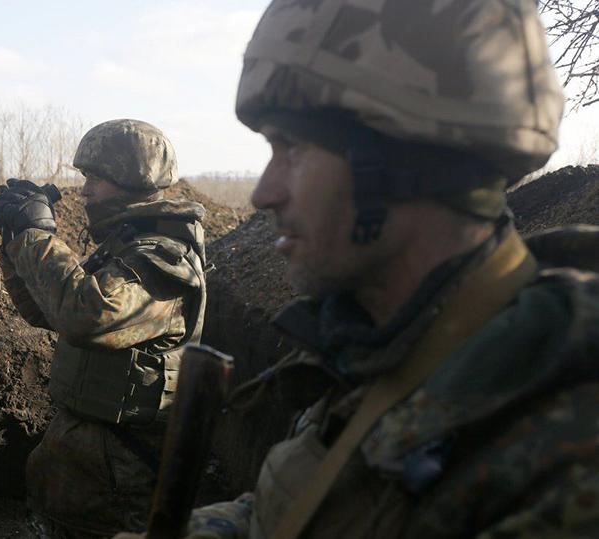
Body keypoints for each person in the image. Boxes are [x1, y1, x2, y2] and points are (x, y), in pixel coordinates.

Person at [119, 0, 599, 537]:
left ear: (403, 164)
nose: (264, 192)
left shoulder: (566, 456)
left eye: (293, 148)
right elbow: (293, 510)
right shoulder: (396, 347)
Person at [0, 119, 207, 538]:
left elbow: (86, 317)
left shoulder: (163, 260)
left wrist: (39, 237)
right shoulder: (125, 246)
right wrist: (16, 239)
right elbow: (45, 310)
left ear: (127, 181)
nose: (85, 190)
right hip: (86, 461)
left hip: (120, 479)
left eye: (94, 179)